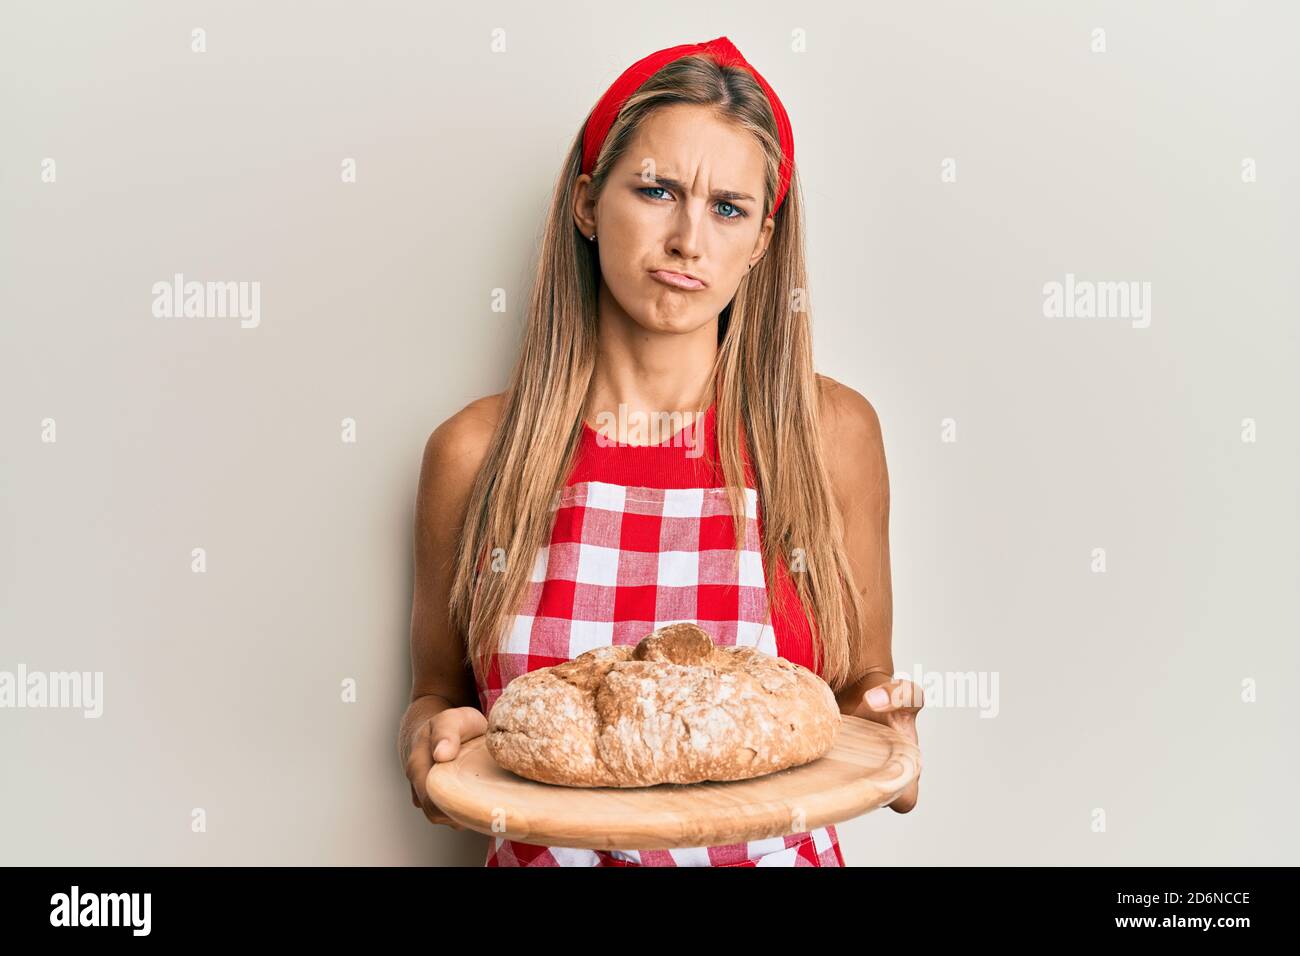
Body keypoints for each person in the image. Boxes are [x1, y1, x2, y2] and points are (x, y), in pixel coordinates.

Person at [399, 35, 923, 866]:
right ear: (585, 203)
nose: (688, 239)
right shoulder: (475, 453)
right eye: (655, 190)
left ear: (760, 242)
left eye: (728, 208)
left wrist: (889, 725)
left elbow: (864, 692)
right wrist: (435, 744)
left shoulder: (829, 437)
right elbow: (437, 698)